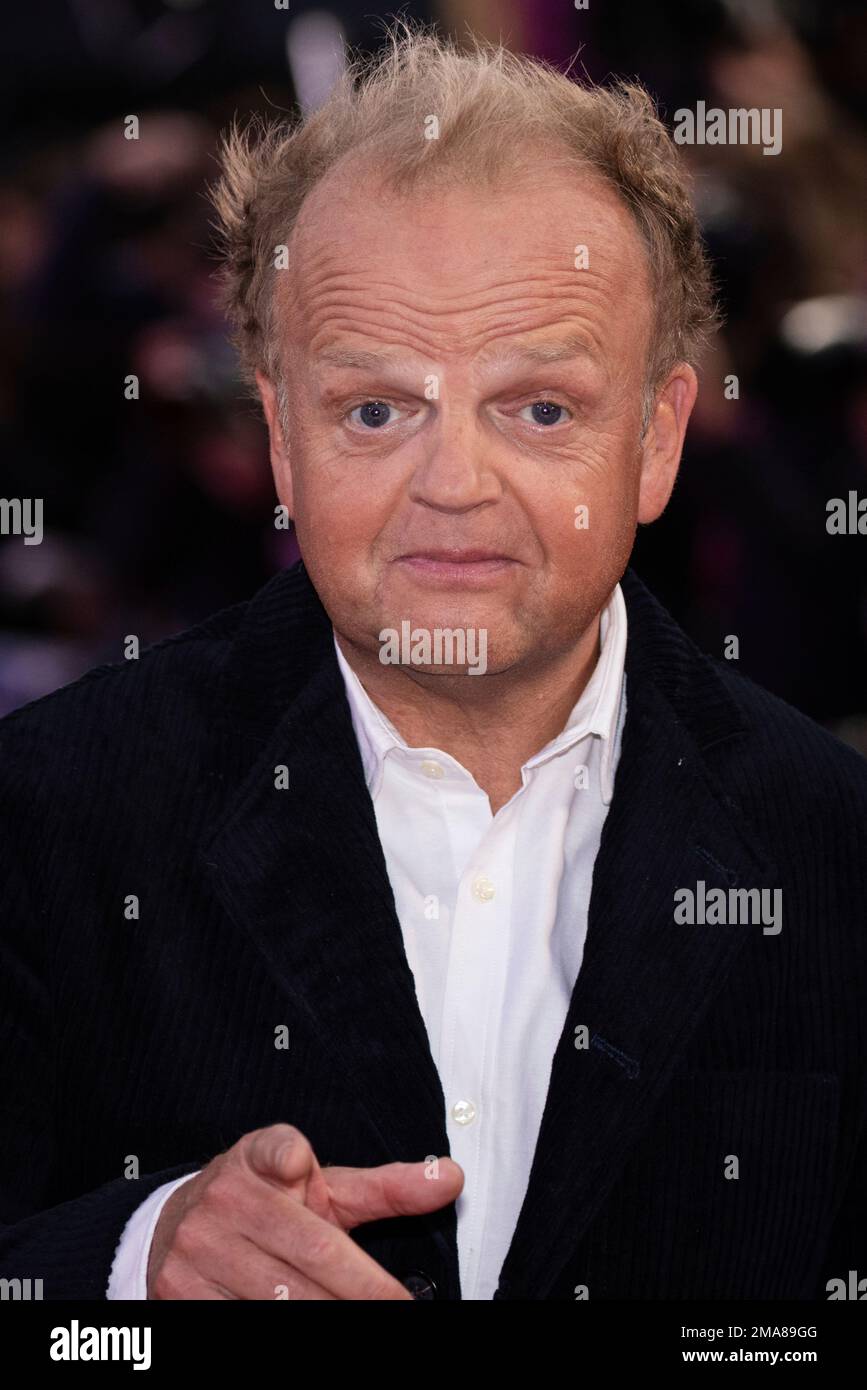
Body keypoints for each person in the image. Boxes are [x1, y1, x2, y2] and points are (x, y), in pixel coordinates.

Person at [1, 24, 864, 1302]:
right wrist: (128, 1276)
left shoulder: (836, 850)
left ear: (657, 439)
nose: (453, 486)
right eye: (374, 409)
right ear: (283, 442)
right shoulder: (44, 814)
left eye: (540, 407)